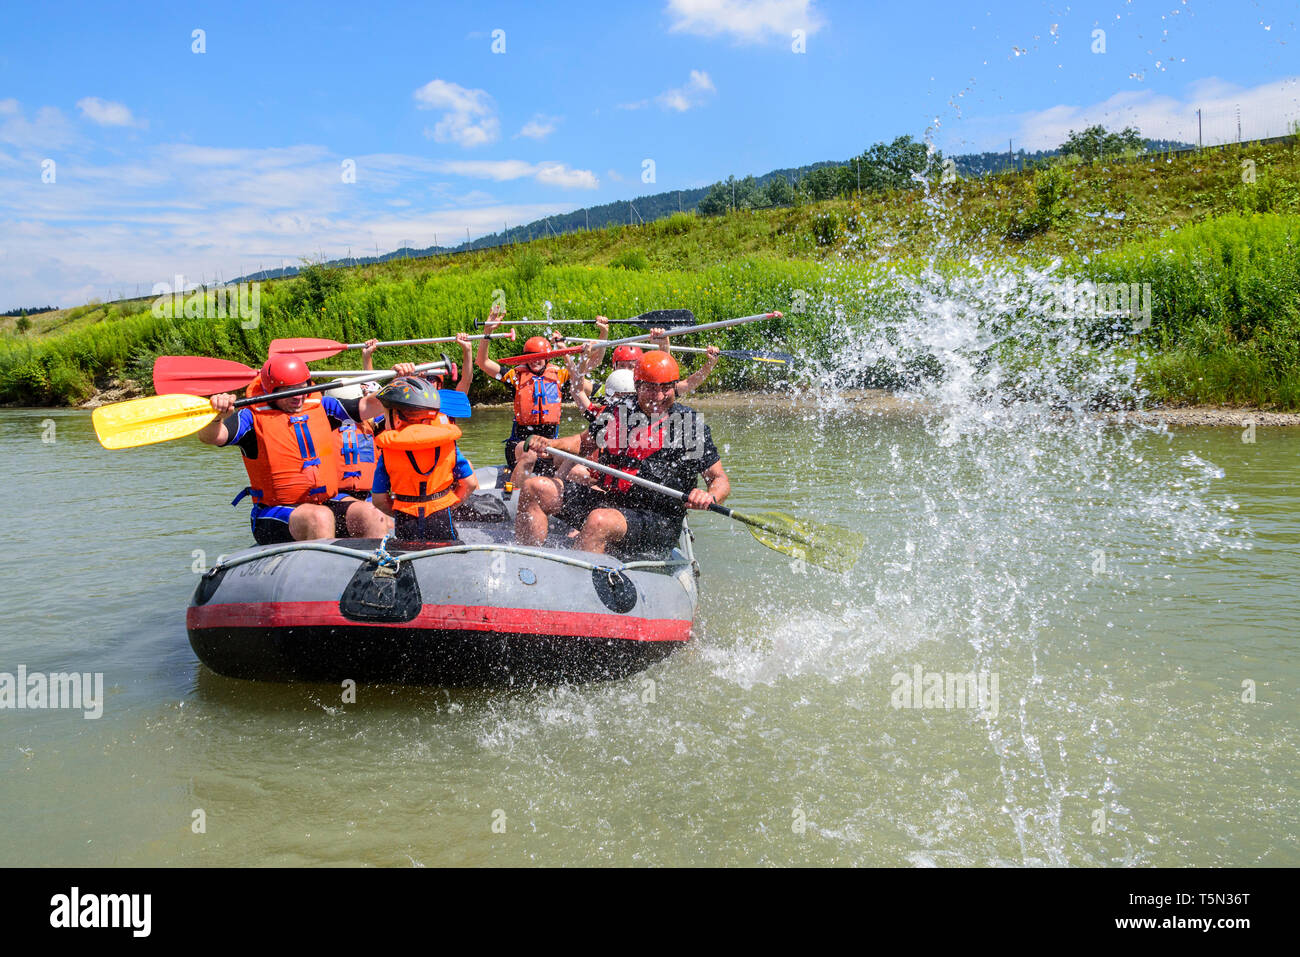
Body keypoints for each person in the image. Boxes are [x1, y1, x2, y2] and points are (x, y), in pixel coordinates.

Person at [514, 350, 731, 558]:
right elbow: (582, 443)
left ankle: (577, 585)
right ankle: (529, 567)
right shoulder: (619, 410)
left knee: (600, 520)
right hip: (612, 502)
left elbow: (718, 479)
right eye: (650, 388)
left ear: (675, 387)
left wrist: (709, 496)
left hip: (658, 520)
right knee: (535, 488)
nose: (658, 396)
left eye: (666, 388)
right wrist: (551, 443)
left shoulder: (688, 425)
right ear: (637, 386)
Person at [198, 354, 398, 544]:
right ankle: (323, 576)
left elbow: (367, 406)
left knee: (374, 515)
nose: (298, 397)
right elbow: (213, 437)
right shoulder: (250, 418)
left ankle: (376, 573)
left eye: (302, 388)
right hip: (275, 511)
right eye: (289, 391)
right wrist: (216, 416)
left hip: (325, 502)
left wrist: (399, 384)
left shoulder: (322, 406)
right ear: (271, 391)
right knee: (320, 518)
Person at [370, 376, 478, 542]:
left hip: (406, 520)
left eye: (386, 415)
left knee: (406, 558)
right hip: (441, 517)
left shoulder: (387, 452)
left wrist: (400, 510)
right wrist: (449, 505)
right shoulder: (448, 445)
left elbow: (378, 500)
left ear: (397, 418)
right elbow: (470, 483)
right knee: (446, 555)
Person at [476, 303, 572, 475]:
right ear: (525, 358)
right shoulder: (515, 376)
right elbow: (482, 363)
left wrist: (564, 351)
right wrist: (487, 332)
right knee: (530, 456)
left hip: (549, 445)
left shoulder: (560, 375)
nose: (535, 361)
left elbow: (583, 371)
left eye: (540, 357)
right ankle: (516, 496)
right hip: (519, 445)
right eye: (531, 357)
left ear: (548, 358)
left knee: (570, 458)